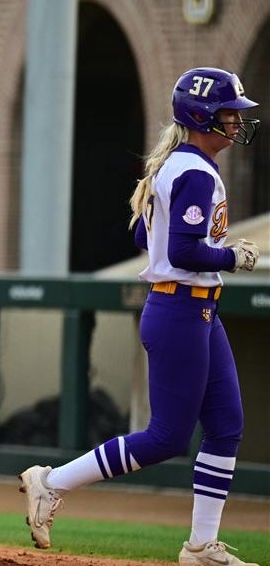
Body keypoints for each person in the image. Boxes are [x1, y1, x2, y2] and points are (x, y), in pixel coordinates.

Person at [20, 67, 261, 566]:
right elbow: (185, 250)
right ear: (203, 116)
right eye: (229, 113)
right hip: (179, 308)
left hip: (195, 310)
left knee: (226, 423)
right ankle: (50, 482)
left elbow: (142, 239)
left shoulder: (176, 165)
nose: (236, 122)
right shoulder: (192, 170)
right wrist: (232, 257)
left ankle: (201, 546)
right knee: (166, 437)